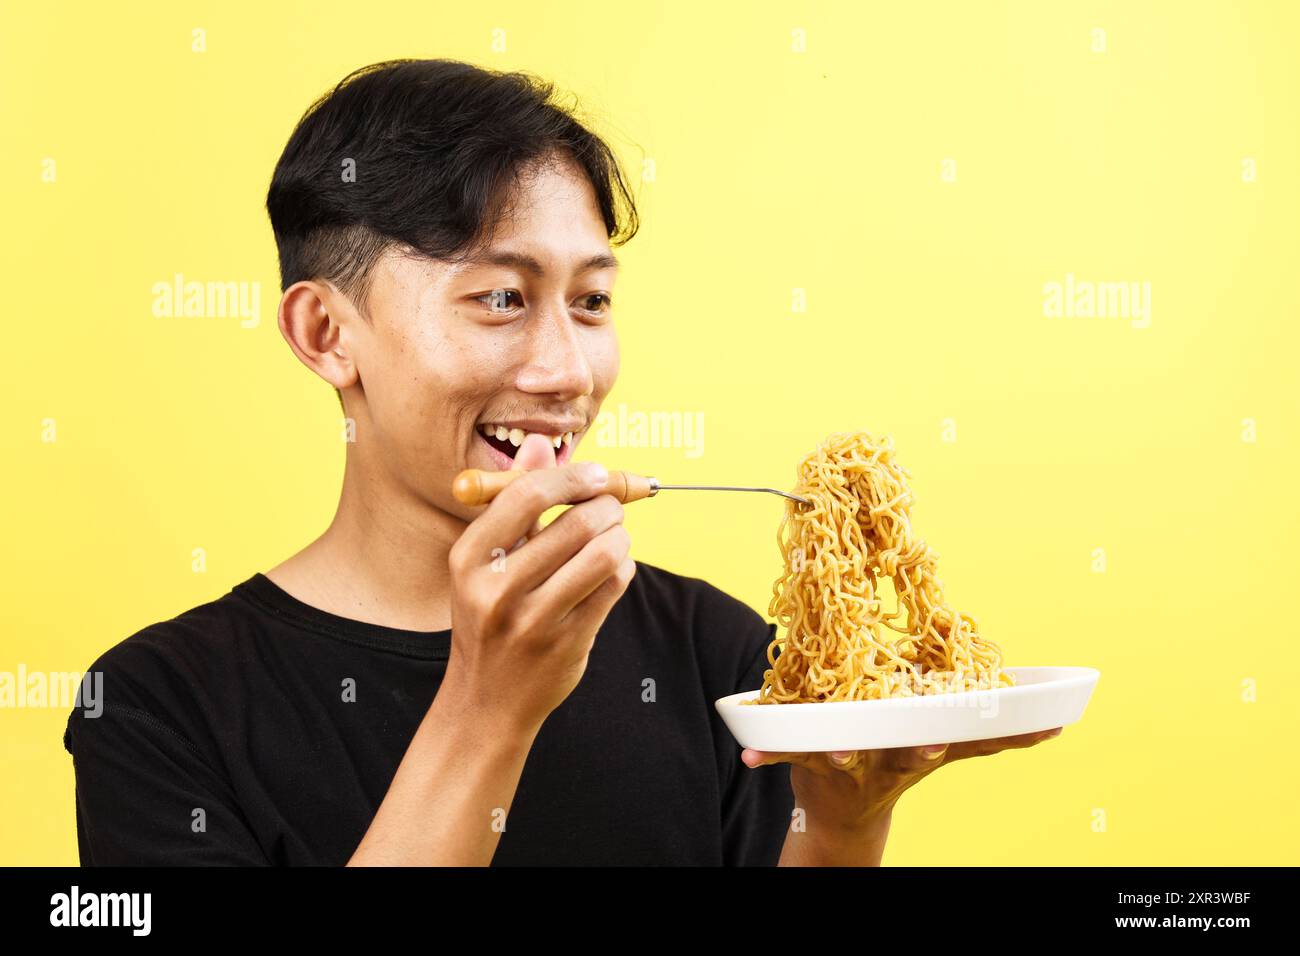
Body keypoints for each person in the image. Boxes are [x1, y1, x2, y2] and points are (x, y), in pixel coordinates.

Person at [64, 58, 1059, 866]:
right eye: (501, 297)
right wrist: (486, 711)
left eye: (589, 301)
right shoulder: (160, 706)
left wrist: (842, 824)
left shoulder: (730, 661)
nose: (566, 369)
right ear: (327, 330)